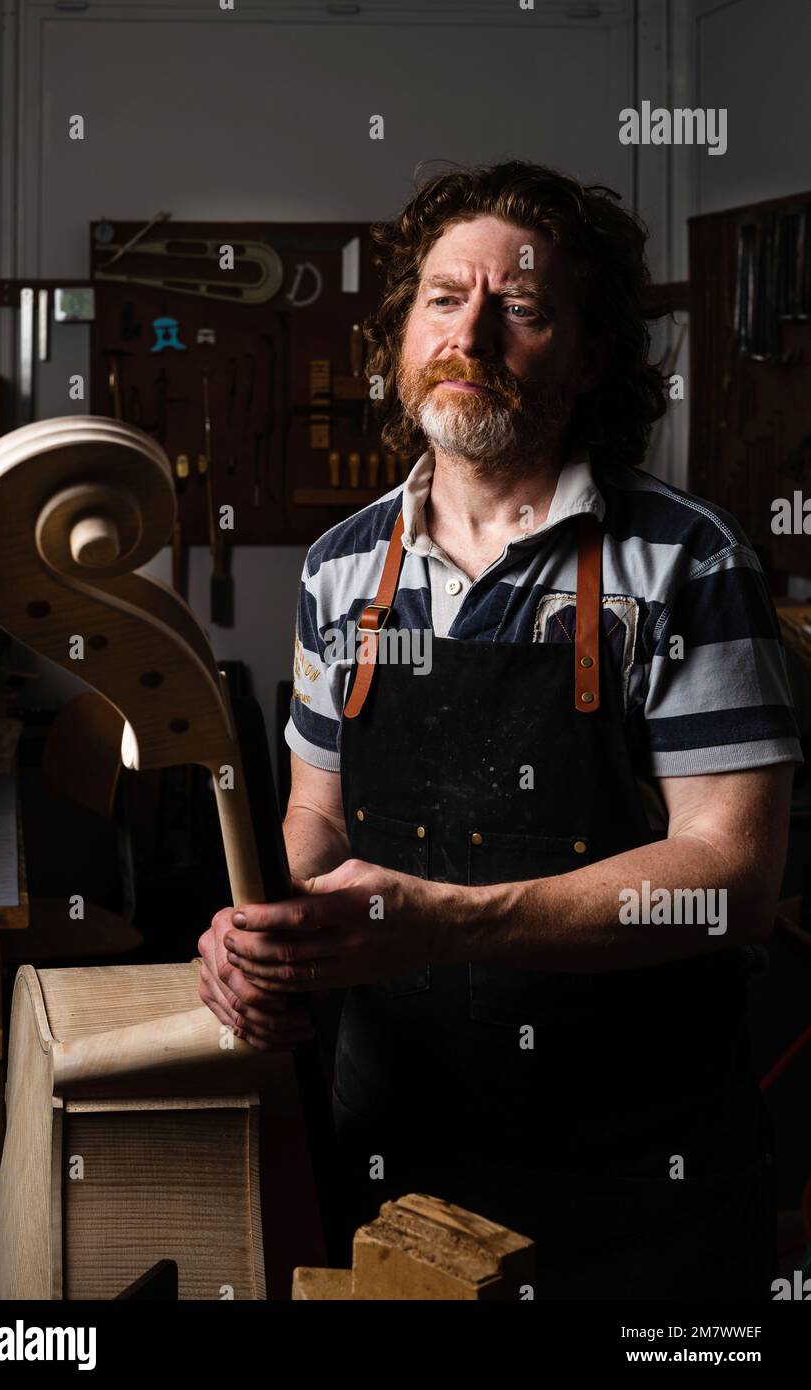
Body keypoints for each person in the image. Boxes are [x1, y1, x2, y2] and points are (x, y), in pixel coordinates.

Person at [199, 160, 802, 1299]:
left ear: (585, 360)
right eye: (441, 297)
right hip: (394, 1147)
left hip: (632, 1178)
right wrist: (254, 928)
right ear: (398, 332)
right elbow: (317, 819)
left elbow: (730, 877)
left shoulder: (685, 561)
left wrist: (448, 924)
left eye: (519, 308)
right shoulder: (339, 572)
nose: (467, 331)